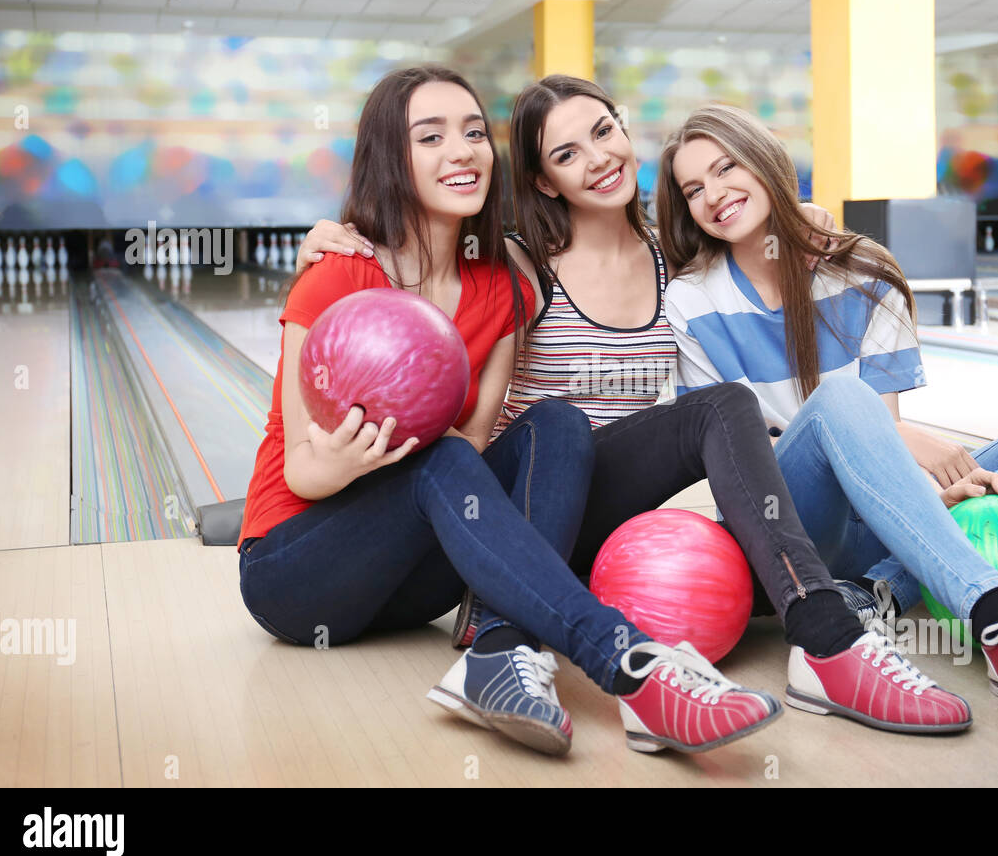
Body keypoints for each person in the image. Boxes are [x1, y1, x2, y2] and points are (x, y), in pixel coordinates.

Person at [298, 75, 977, 735]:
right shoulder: (519, 259)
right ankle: (511, 619)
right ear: (543, 181)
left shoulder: (671, 256)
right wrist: (328, 236)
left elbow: (770, 242)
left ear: (624, 130)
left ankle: (824, 631)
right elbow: (414, 282)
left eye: (603, 131)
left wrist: (808, 219)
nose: (597, 159)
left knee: (725, 404)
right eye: (566, 154)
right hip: (532, 506)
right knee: (562, 427)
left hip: (610, 503)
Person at [239, 66, 783, 759]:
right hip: (296, 572)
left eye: (472, 132)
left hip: (412, 586)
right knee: (440, 456)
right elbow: (304, 473)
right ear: (390, 158)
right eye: (430, 136)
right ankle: (631, 667)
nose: (461, 150)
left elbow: (471, 455)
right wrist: (350, 461)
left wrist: (799, 228)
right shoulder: (341, 275)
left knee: (554, 421)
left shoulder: (498, 288)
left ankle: (500, 647)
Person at [656, 103, 998, 717]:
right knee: (840, 400)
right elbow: (740, 462)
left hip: (875, 513)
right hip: (784, 521)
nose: (713, 194)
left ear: (765, 161)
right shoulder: (690, 300)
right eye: (693, 189)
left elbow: (883, 425)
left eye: (724, 168)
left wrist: (925, 479)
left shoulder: (866, 272)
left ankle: (875, 592)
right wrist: (908, 446)